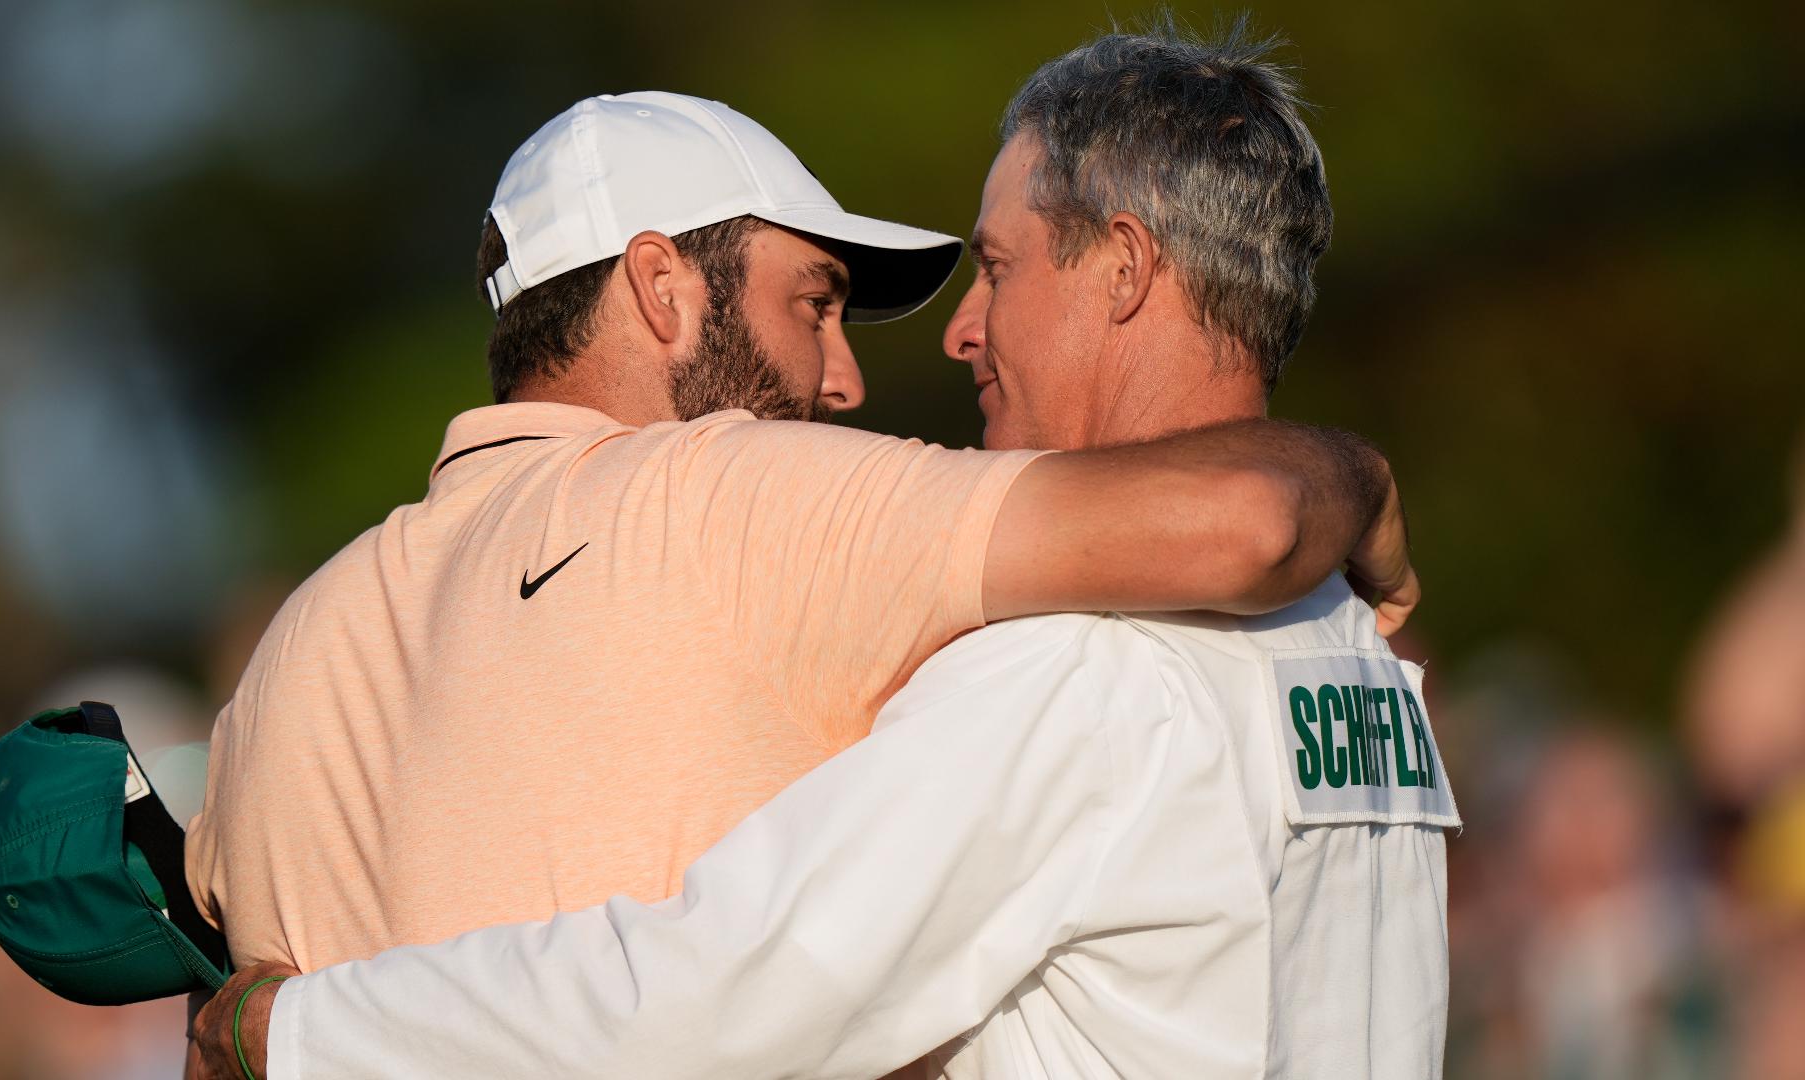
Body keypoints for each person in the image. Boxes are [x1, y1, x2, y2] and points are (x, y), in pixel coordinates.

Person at [195, 25, 1448, 1080]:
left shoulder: (286, 657)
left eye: (996, 268)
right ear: (661, 290)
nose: (938, 342)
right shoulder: (1364, 662)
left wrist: (289, 1029)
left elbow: (724, 986)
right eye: (815, 304)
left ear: (1123, 269)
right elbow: (713, 997)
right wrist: (1362, 478)